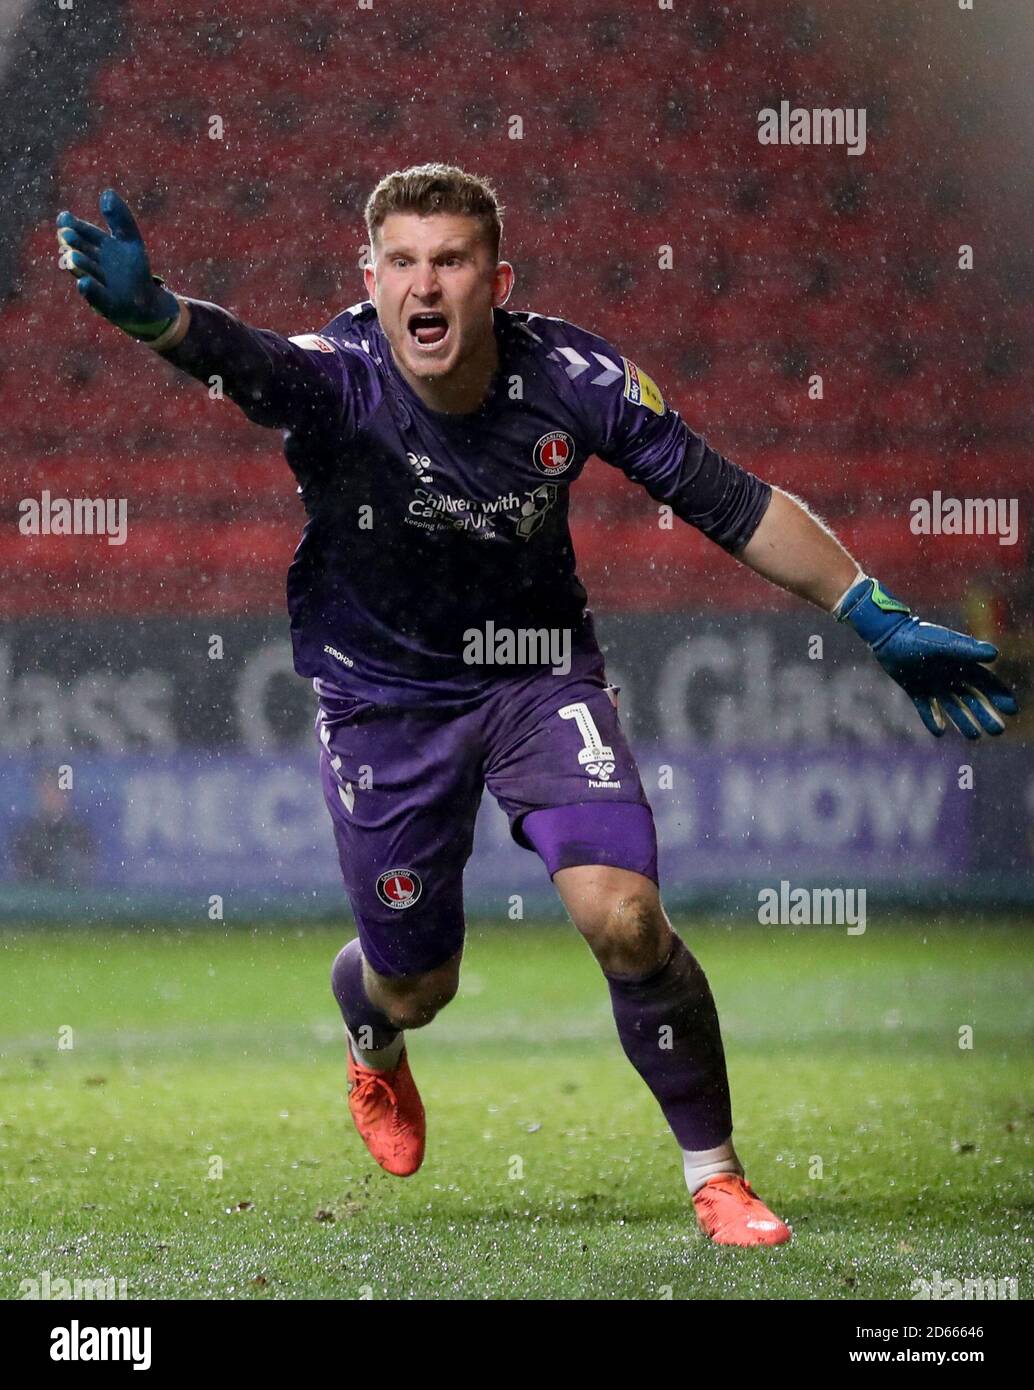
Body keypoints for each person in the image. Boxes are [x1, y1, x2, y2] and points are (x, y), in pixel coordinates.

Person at [56, 164, 1017, 1247]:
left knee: (626, 917)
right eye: (404, 262)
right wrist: (155, 317)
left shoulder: (572, 377)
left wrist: (870, 610)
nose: (427, 286)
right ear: (368, 278)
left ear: (495, 279)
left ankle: (714, 1176)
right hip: (382, 701)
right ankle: (371, 1032)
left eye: (452, 262)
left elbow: (730, 500)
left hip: (534, 676)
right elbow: (246, 358)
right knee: (417, 986)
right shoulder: (339, 377)